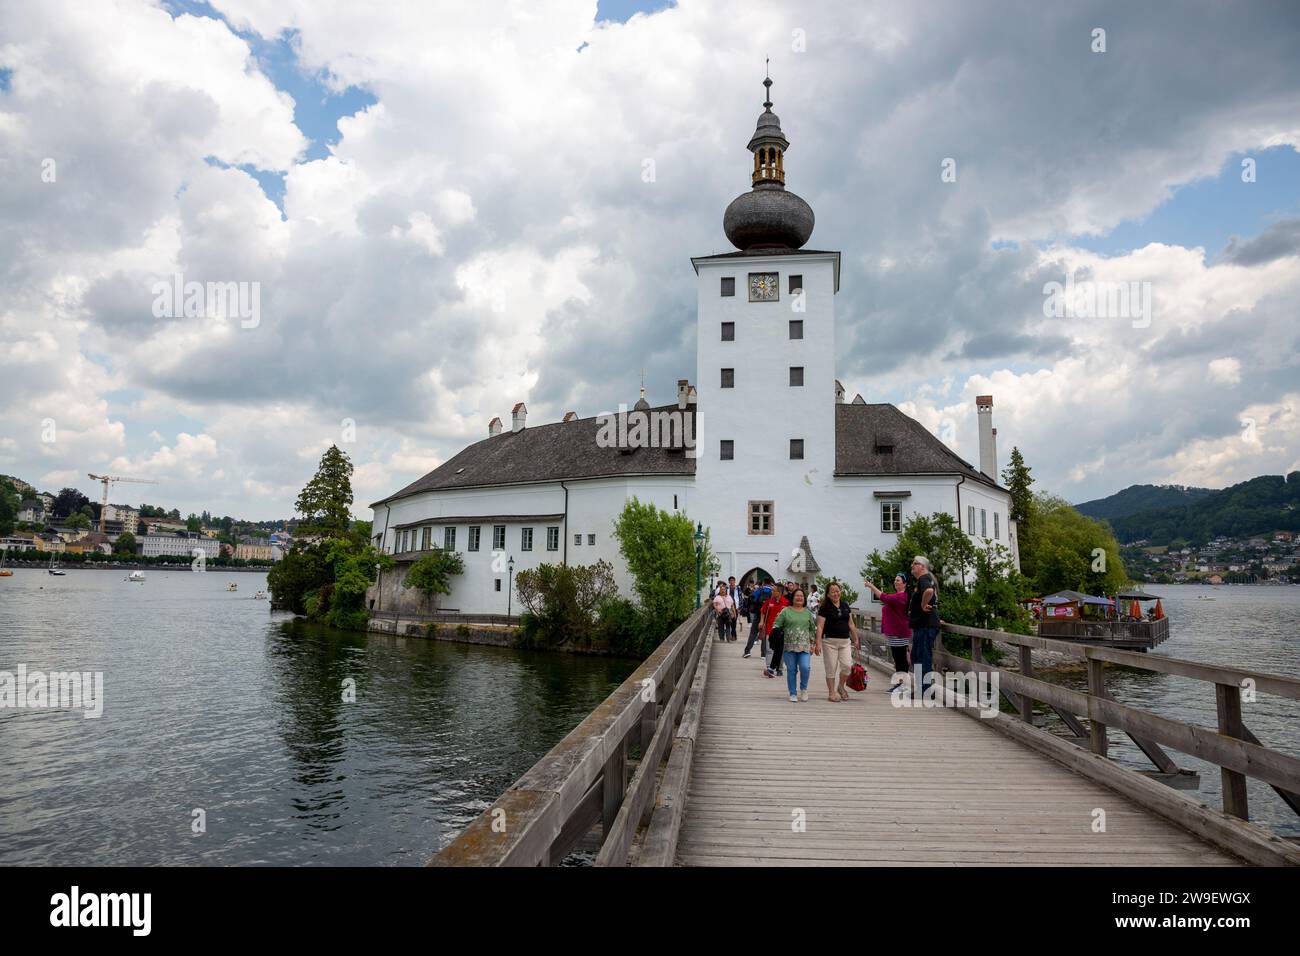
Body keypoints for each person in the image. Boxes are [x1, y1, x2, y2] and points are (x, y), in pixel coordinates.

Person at [865, 574, 912, 692]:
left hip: (899, 632)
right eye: (895, 580)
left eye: (898, 580)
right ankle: (900, 684)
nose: (895, 582)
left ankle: (903, 685)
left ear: (905, 583)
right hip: (895, 632)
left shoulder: (901, 596)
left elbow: (883, 597)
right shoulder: (898, 595)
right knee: (898, 659)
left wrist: (871, 586)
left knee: (900, 659)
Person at [814, 582, 859, 701]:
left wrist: (856, 638)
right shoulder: (824, 607)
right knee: (831, 668)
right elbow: (820, 626)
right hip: (829, 642)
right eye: (833, 591)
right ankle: (831, 693)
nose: (836, 593)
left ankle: (840, 686)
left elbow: (851, 623)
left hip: (845, 641)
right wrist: (817, 643)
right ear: (828, 594)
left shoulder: (845, 605)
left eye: (837, 591)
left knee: (847, 666)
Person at [774, 587, 816, 702]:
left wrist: (813, 643)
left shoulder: (808, 613)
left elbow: (812, 629)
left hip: (804, 646)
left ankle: (803, 689)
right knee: (791, 670)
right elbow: (777, 624)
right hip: (789, 646)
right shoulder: (785, 611)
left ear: (804, 599)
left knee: (805, 667)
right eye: (797, 595)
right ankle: (792, 692)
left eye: (801, 596)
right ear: (792, 598)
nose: (799, 598)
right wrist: (776, 633)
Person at [908, 556, 941, 698]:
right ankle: (922, 689)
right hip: (926, 623)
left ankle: (926, 690)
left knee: (922, 657)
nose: (912, 566)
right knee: (917, 656)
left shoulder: (923, 579)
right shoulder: (927, 578)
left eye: (914, 564)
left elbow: (929, 592)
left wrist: (922, 605)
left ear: (922, 566)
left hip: (925, 625)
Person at [760, 585, 789, 677]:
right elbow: (763, 611)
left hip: (781, 631)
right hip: (770, 629)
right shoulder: (769, 602)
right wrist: (761, 621)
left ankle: (779, 668)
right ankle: (769, 666)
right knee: (769, 649)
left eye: (774, 590)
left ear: (779, 592)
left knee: (780, 650)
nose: (772, 592)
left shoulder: (786, 602)